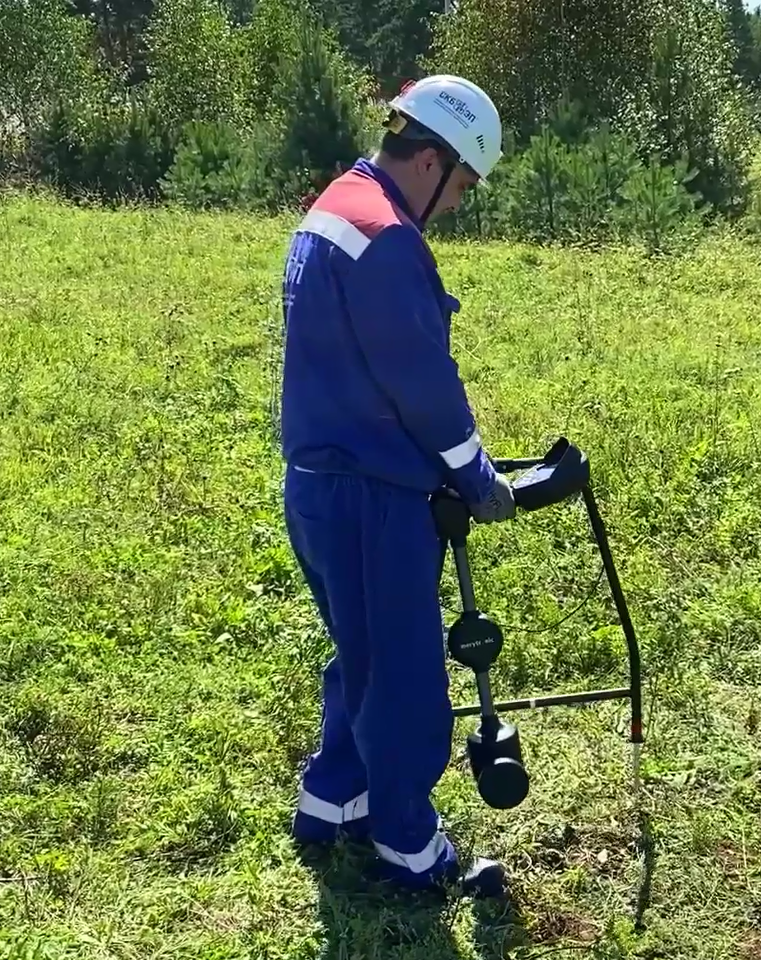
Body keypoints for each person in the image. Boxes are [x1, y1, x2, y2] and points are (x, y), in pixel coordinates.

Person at [275, 74, 514, 898]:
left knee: (362, 655)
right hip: (371, 496)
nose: (457, 206)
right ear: (435, 161)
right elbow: (420, 381)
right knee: (405, 674)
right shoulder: (386, 238)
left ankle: (331, 802)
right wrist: (475, 472)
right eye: (463, 188)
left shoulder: (335, 204)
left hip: (315, 483)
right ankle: (414, 852)